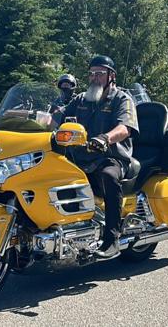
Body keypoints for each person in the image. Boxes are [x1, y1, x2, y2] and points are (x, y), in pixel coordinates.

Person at [52, 55, 139, 259]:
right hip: (80, 157)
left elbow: (125, 127)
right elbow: (59, 117)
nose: (94, 78)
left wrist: (105, 138)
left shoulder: (121, 99)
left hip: (111, 157)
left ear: (111, 76)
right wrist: (40, 120)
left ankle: (112, 239)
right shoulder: (82, 99)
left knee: (109, 176)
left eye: (100, 73)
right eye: (91, 74)